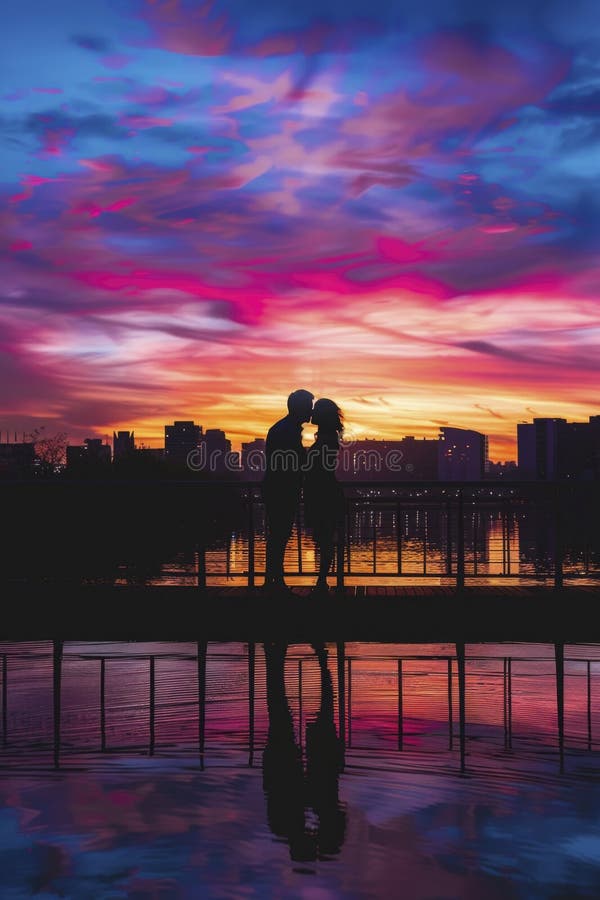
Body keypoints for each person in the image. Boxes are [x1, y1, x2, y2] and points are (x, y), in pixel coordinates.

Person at [262, 389, 314, 592]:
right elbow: (292, 463)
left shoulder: (282, 428)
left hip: (277, 488)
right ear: (299, 408)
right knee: (279, 536)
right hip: (282, 490)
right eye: (308, 407)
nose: (310, 411)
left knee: (277, 536)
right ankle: (276, 582)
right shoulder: (288, 431)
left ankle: (272, 581)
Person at [303, 398, 345, 594]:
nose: (312, 413)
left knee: (324, 537)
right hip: (324, 491)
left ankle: (321, 581)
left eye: (316, 410)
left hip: (322, 493)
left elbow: (320, 468)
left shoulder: (326, 439)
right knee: (324, 538)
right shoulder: (328, 437)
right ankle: (322, 580)